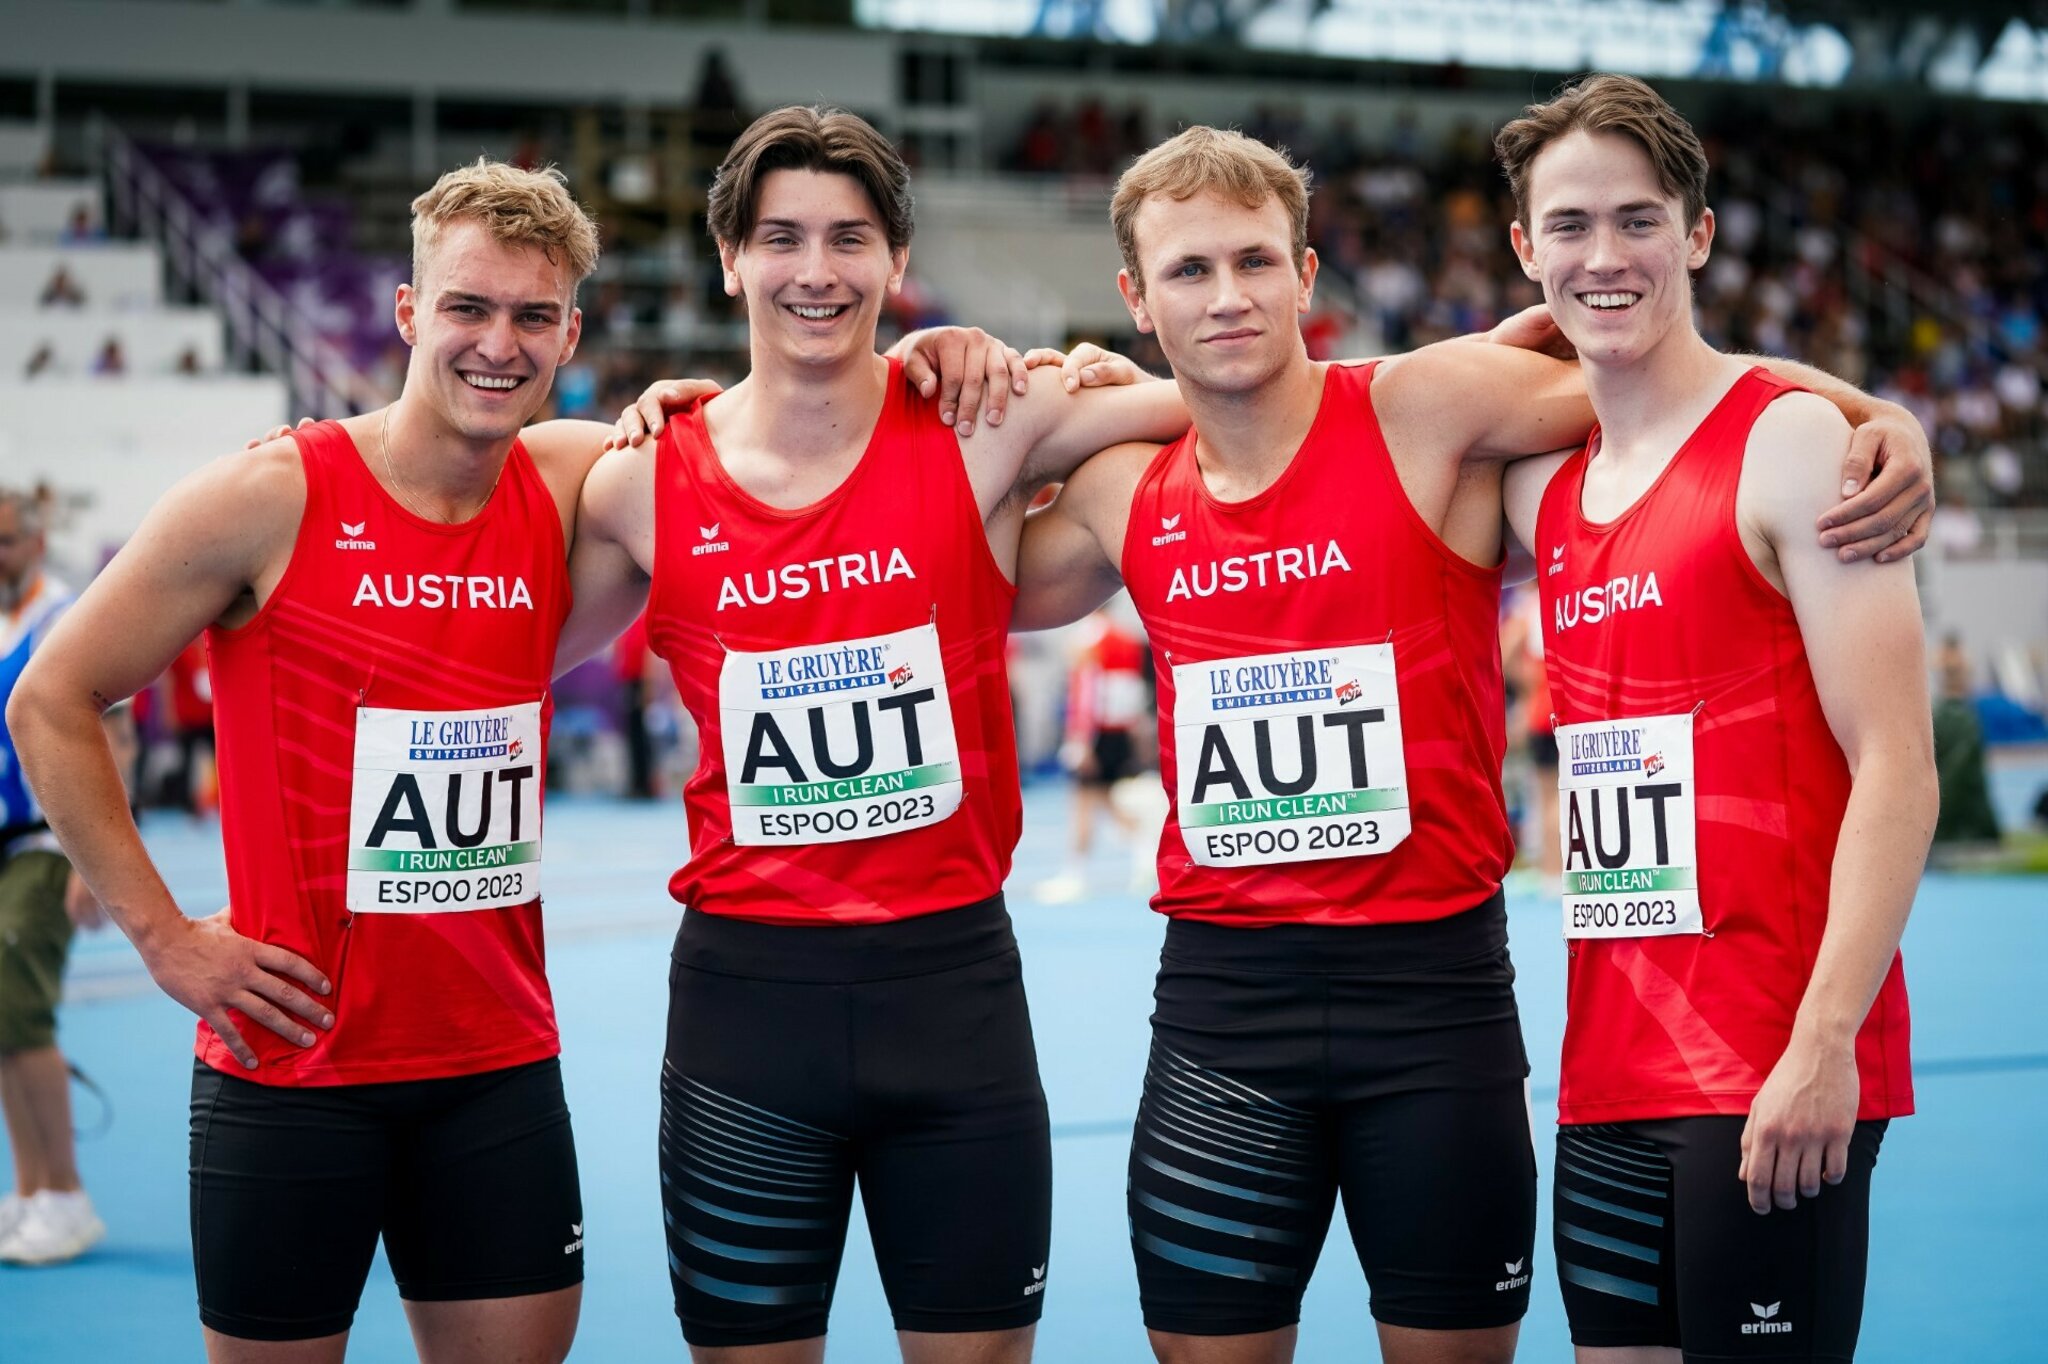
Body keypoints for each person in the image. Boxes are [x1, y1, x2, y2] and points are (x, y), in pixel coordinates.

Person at [1007, 125, 1931, 1364]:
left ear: (1306, 275)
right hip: (1224, 1017)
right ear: (1134, 294)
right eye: (1186, 272)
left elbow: (1653, 371)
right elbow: (956, 568)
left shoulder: (1422, 406)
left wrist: (1872, 411)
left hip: (1432, 1010)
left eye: (1253, 262)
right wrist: (990, 383)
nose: (1226, 295)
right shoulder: (1125, 485)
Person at [571, 105, 1189, 1363]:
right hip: (747, 1015)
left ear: (896, 263)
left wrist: (1092, 367)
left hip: (950, 995)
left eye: (849, 239)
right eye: (781, 238)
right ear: (729, 257)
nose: (815, 271)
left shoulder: (986, 419)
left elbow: (1233, 401)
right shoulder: (635, 478)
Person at [10, 160, 627, 1364]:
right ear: (408, 312)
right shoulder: (269, 494)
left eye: (531, 316)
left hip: (496, 1065)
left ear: (570, 333)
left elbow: (761, 443)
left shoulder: (568, 480)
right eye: (467, 307)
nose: (496, 344)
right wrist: (161, 934)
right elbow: (51, 697)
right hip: (289, 1064)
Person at [1493, 74, 1935, 1362]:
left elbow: (1896, 768)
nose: (1603, 255)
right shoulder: (1538, 489)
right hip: (1606, 1069)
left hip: (1769, 1059)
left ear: (1696, 232)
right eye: (1566, 226)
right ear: (1524, 249)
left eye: (1638, 221)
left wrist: (1822, 1043)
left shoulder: (1792, 445)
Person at [0, 487, 108, 1266]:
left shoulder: (65, 617)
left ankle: (66, 1192)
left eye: (4, 541)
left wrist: (94, 859)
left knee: (19, 1010)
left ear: (35, 542)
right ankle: (33, 1187)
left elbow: (114, 732)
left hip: (48, 838)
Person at [1034, 605, 1149, 903]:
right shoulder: (1127, 638)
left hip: (1095, 733)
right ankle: (1145, 854)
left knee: (1083, 804)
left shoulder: (1088, 638)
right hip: (1118, 729)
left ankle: (1075, 874)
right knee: (1106, 799)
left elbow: (1085, 691)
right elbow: (1133, 690)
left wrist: (1080, 741)